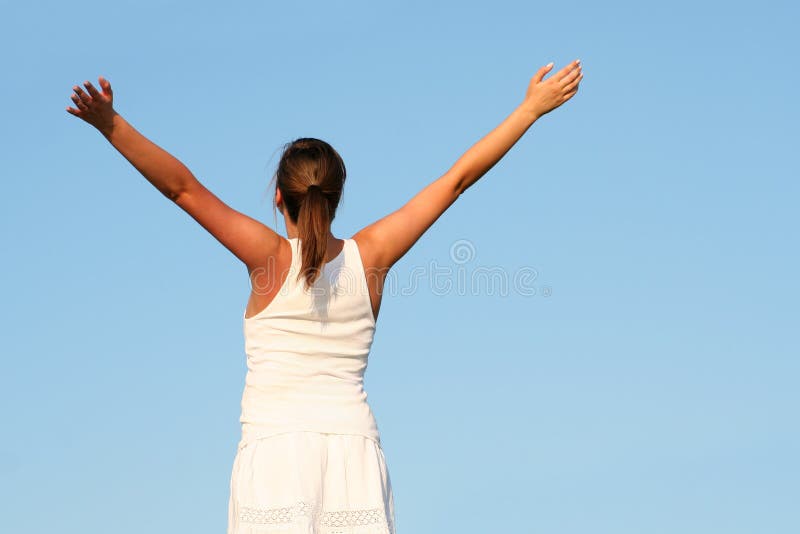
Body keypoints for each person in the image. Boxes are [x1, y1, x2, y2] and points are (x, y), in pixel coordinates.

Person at [66, 59, 583, 533]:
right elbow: (455, 182)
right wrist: (529, 110)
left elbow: (182, 188)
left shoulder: (268, 259)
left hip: (275, 456)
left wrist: (110, 124)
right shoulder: (372, 255)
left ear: (278, 197)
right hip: (352, 457)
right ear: (337, 199)